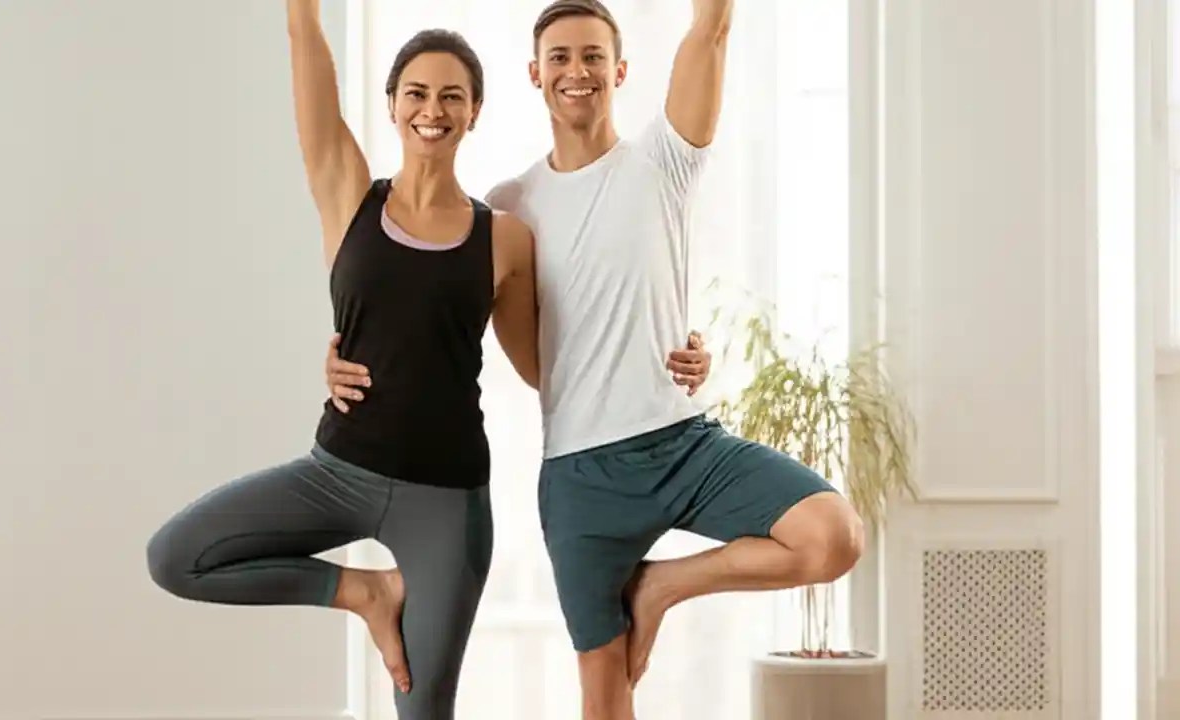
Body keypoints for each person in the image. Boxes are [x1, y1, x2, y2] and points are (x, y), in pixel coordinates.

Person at [146, 2, 712, 719]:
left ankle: (386, 600)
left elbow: (551, 366)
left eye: (452, 96)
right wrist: (351, 586)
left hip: (446, 501)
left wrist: (682, 354)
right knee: (176, 556)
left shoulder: (505, 238)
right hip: (338, 472)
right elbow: (305, 43)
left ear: (475, 112)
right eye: (416, 93)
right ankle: (367, 593)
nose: (432, 110)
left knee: (423, 712)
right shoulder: (348, 195)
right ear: (391, 105)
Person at [327, 1, 865, 719]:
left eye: (590, 57)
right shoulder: (508, 210)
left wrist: (678, 349)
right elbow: (434, 325)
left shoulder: (664, 160)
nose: (575, 71)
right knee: (605, 704)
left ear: (619, 71)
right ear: (534, 75)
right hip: (581, 478)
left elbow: (711, 28)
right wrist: (339, 359)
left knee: (832, 537)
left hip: (686, 445)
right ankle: (641, 593)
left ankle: (660, 587)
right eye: (559, 57)